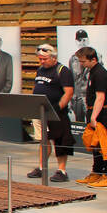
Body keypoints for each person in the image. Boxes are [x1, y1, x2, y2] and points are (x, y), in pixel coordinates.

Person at [28, 43, 73, 181]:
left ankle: (62, 170)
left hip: (56, 112)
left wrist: (58, 108)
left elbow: (68, 92)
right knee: (43, 140)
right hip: (40, 111)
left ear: (53, 57)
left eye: (45, 59)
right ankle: (42, 167)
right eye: (40, 59)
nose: (42, 61)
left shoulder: (62, 70)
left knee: (59, 140)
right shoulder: (40, 70)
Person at [75, 46, 107, 188]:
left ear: (93, 59)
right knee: (95, 144)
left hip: (101, 112)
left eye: (84, 61)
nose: (82, 64)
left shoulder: (100, 74)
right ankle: (97, 172)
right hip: (93, 111)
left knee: (105, 144)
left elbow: (101, 97)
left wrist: (94, 116)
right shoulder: (92, 72)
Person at [68, 29, 90, 123]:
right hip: (77, 98)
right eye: (79, 40)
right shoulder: (73, 59)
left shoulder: (96, 57)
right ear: (76, 42)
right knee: (79, 125)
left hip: (90, 96)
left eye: (84, 40)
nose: (82, 43)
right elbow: (71, 79)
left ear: (88, 40)